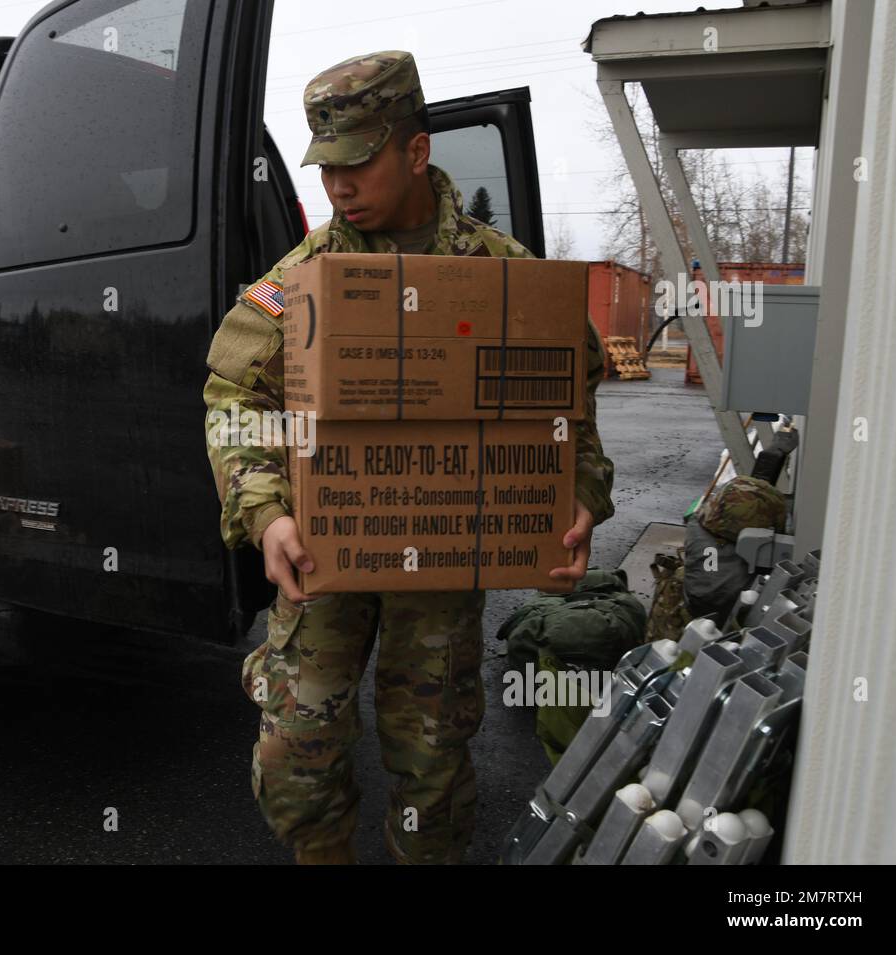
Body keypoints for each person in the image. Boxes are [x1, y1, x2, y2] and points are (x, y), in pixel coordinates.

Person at [202, 51, 615, 864]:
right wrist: (266, 511)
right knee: (295, 755)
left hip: (443, 551)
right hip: (327, 546)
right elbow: (232, 398)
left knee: (432, 761)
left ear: (416, 150)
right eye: (327, 167)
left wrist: (581, 493)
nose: (338, 186)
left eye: (357, 162)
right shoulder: (300, 280)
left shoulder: (503, 273)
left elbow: (572, 396)